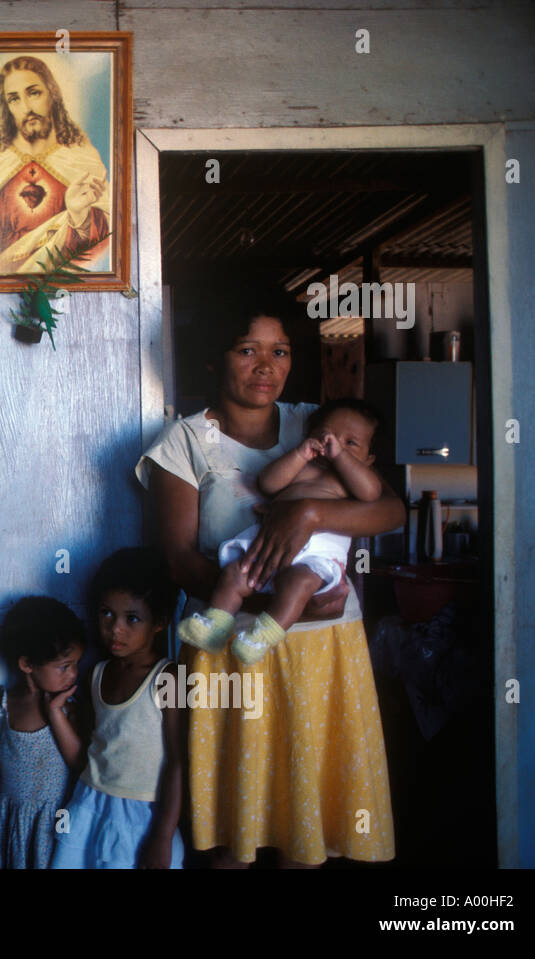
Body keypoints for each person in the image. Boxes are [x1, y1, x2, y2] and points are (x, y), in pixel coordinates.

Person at [136, 287, 404, 867]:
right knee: (240, 824)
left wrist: (310, 513)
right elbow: (181, 563)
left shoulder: (318, 423)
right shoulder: (182, 443)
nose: (266, 367)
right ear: (214, 358)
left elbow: (389, 510)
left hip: (324, 649)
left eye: (279, 352)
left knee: (304, 822)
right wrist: (289, 604)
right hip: (232, 646)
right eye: (246, 350)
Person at [179, 398, 385, 663]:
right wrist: (300, 455)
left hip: (316, 555)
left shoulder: (352, 482)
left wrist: (341, 457)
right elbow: (268, 483)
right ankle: (215, 624)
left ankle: (263, 634)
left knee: (299, 583)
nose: (333, 444)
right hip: (268, 546)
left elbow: (371, 493)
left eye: (351, 443)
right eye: (326, 436)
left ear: (368, 459)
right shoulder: (305, 468)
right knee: (235, 574)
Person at [50, 548, 186, 869]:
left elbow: (179, 762)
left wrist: (163, 836)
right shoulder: (97, 674)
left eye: (132, 618)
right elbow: (90, 753)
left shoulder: (168, 678)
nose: (115, 629)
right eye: (106, 613)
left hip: (143, 815)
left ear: (160, 622)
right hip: (89, 804)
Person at [0, 55, 110, 274]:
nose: (26, 107)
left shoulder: (81, 159)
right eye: (14, 99)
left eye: (34, 93)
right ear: (6, 107)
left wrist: (79, 216)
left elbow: (106, 238)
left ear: (52, 94)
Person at [0, 596, 85, 869]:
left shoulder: (70, 710)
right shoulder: (1, 705)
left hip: (53, 824)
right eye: (64, 666)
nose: (73, 674)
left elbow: (79, 764)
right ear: (27, 665)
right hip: (10, 819)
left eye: (75, 664)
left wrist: (55, 713)